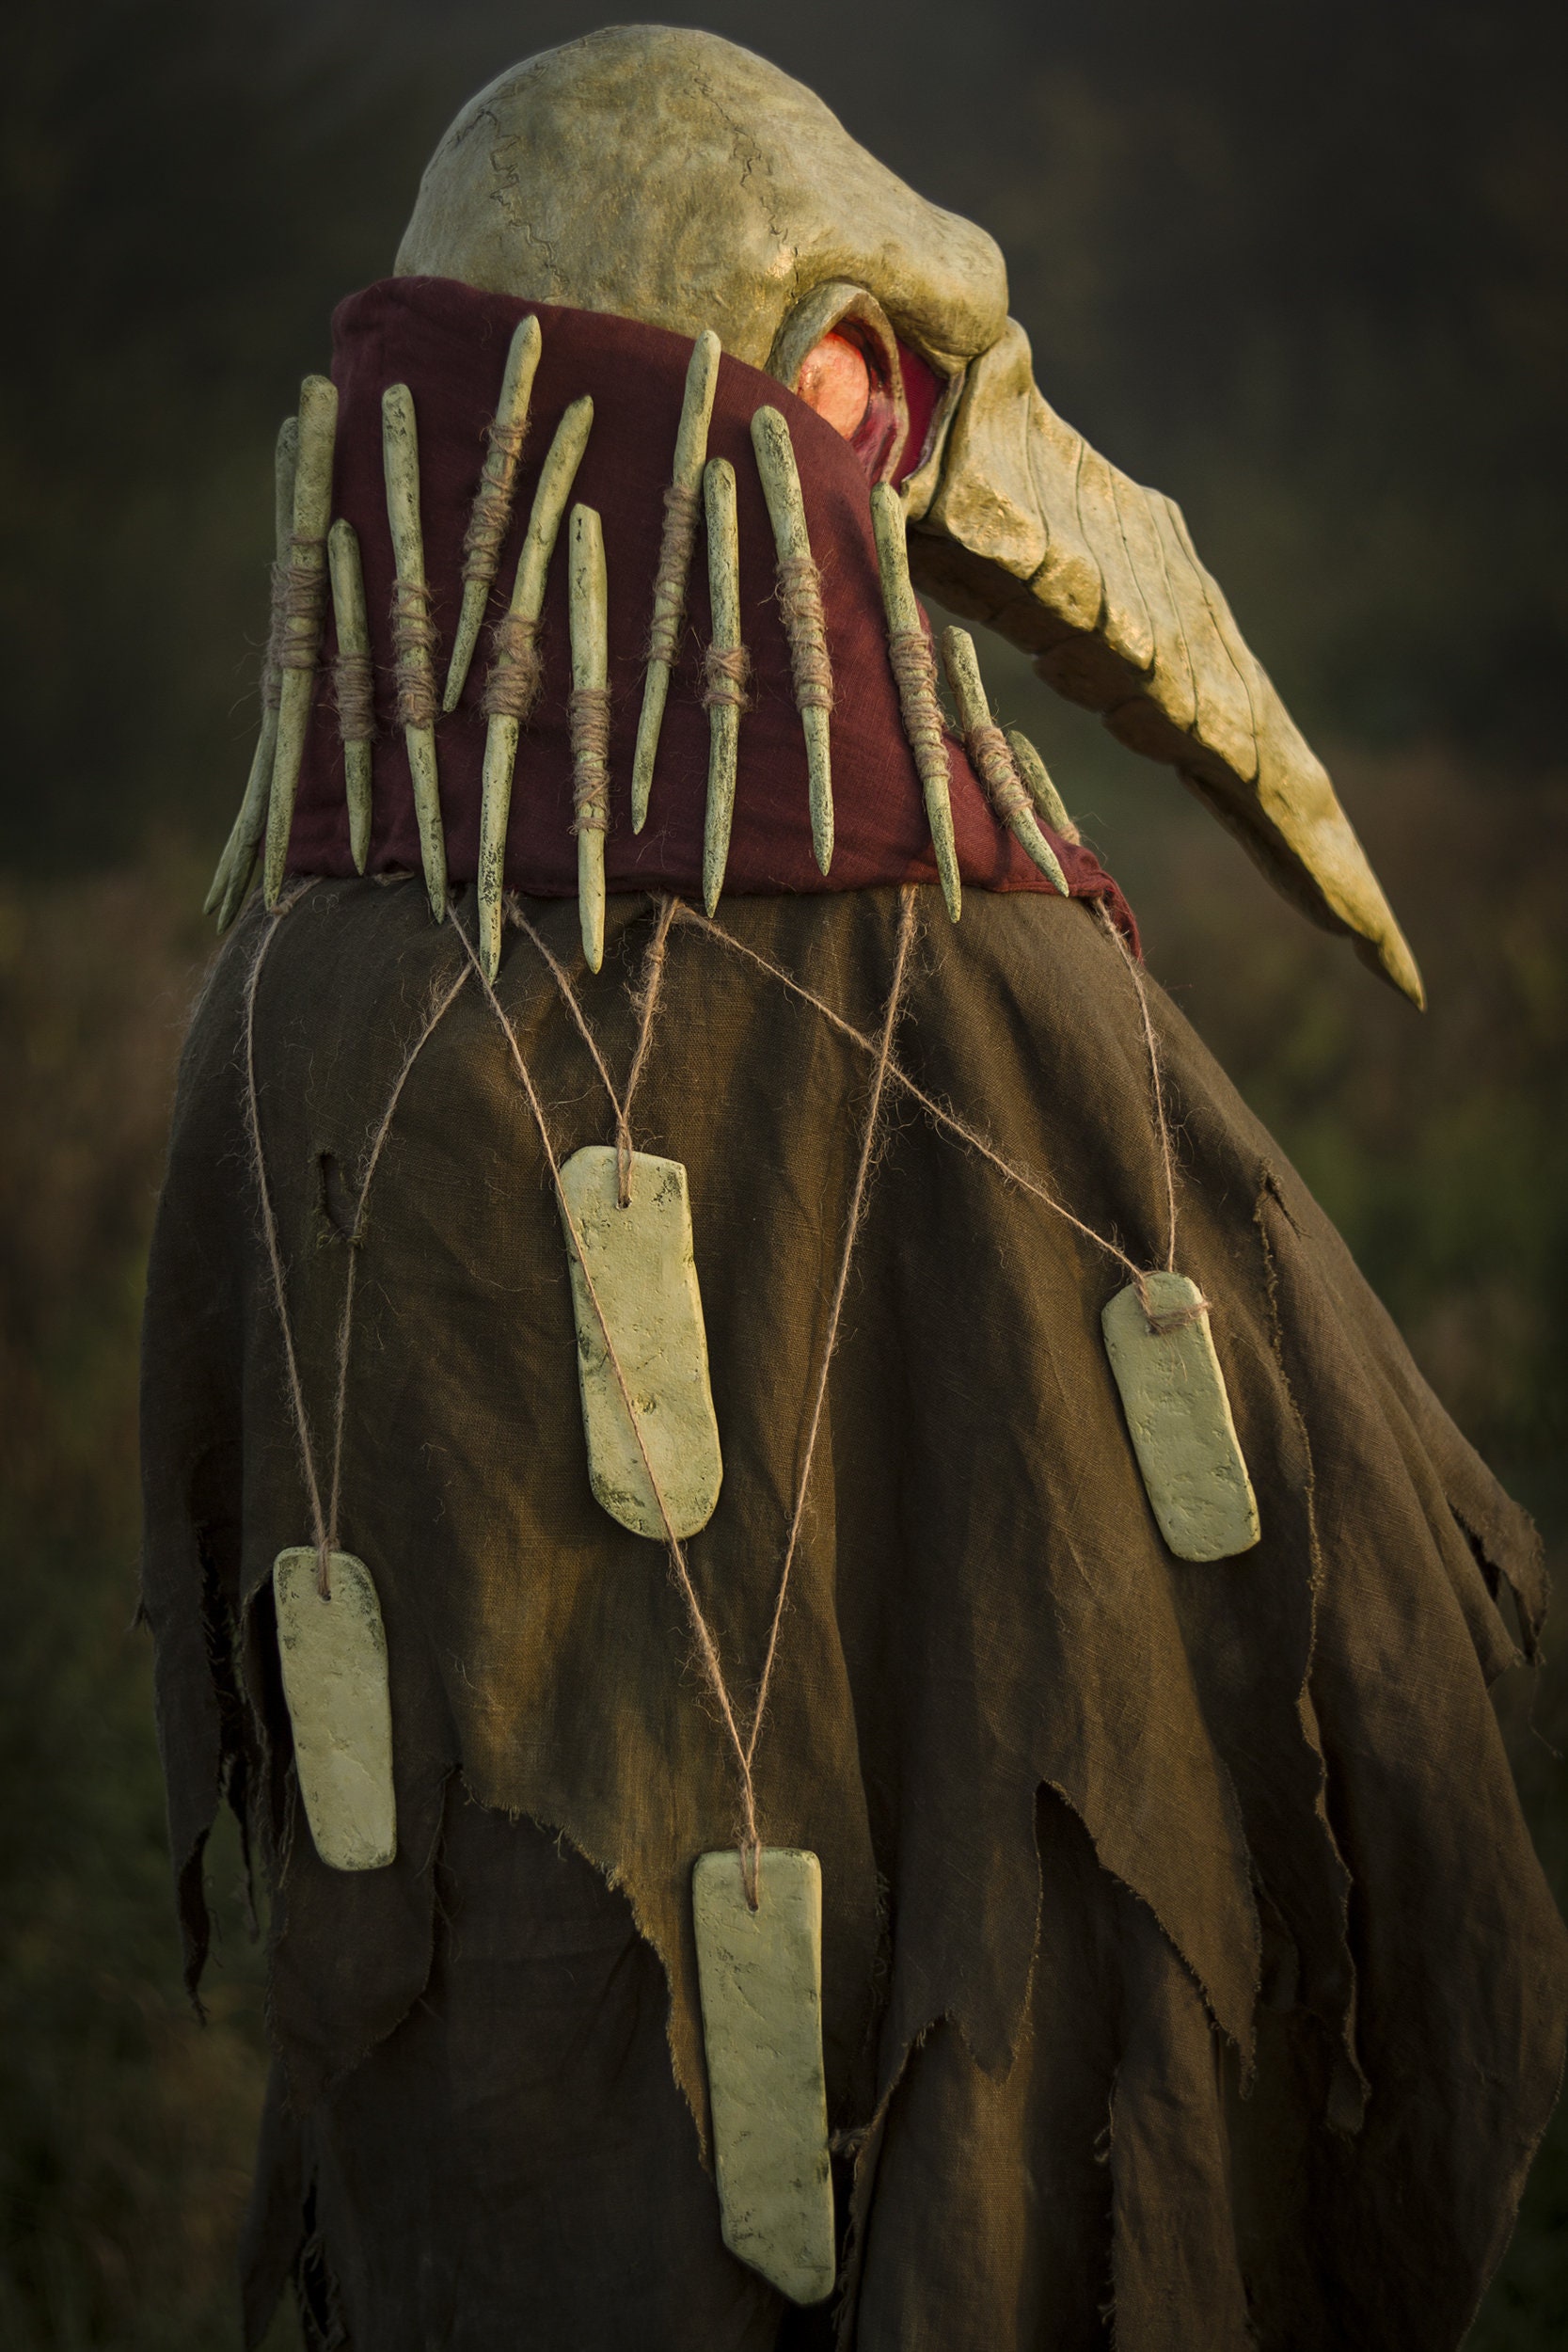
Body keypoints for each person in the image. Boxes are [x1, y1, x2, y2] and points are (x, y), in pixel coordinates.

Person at [141, 29, 1565, 2349]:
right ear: (849, 411)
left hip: (493, 2159)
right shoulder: (1008, 983)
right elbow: (1361, 1643)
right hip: (939, 2120)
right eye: (877, 373)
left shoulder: (279, 991)